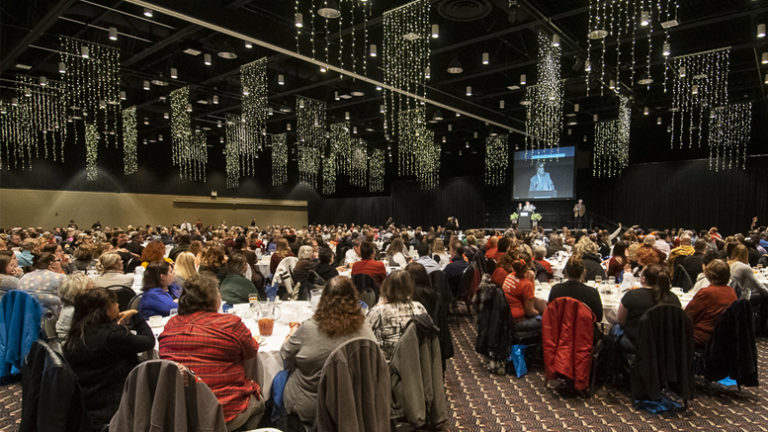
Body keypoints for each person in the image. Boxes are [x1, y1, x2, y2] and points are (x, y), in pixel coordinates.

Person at [159, 275, 263, 430]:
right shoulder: (230, 324)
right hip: (225, 410)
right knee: (260, 403)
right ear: (215, 299)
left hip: (182, 413)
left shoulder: (171, 325)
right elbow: (252, 350)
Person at [281, 276, 375, 426]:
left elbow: (285, 354)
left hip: (312, 406)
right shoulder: (365, 327)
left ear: (323, 299)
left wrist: (291, 334)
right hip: (354, 403)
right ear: (354, 298)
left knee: (281, 377)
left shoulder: (309, 328)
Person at [64, 288, 154, 427]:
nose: (118, 305)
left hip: (89, 400)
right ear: (106, 311)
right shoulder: (112, 336)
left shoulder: (76, 334)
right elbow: (148, 341)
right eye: (115, 303)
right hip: (116, 402)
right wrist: (136, 316)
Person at [616, 265, 681, 352]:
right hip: (666, 345)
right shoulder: (673, 298)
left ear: (643, 279)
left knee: (614, 329)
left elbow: (621, 321)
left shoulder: (632, 295)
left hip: (636, 343)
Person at [366, 270, 428, 361]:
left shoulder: (378, 311)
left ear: (386, 286)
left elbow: (365, 337)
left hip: (387, 364)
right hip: (415, 362)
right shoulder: (419, 307)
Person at [684, 259, 737, 348]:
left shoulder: (706, 293)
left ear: (709, 275)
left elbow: (688, 315)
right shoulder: (732, 292)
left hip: (704, 337)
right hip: (725, 337)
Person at [548, 256, 603, 321]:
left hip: (560, 326)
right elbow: (599, 318)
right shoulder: (592, 292)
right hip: (584, 326)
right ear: (584, 272)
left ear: (566, 272)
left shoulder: (555, 290)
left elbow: (550, 313)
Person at [501, 253, 547, 331]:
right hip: (518, 321)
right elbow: (530, 312)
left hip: (505, 316)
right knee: (546, 319)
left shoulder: (509, 276)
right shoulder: (526, 284)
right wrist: (540, 313)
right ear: (528, 268)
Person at [56, 273, 94, 339]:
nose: (94, 293)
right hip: (71, 342)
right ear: (77, 293)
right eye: (90, 290)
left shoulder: (70, 306)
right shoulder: (73, 311)